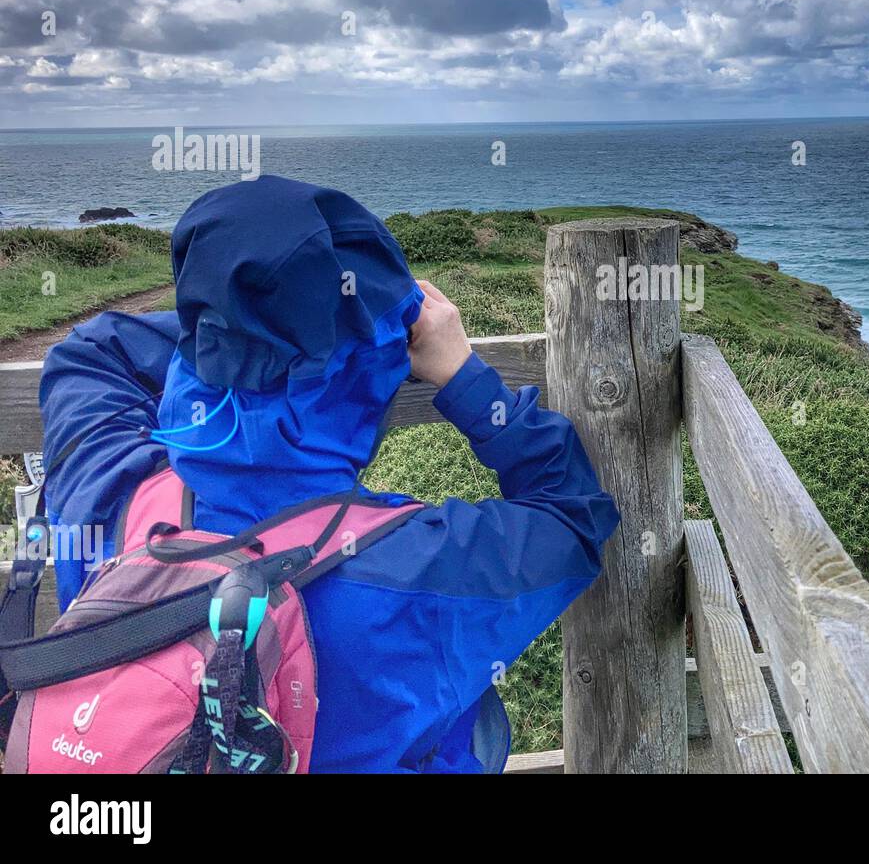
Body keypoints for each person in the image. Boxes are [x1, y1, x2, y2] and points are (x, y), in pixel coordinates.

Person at [36, 175, 619, 773]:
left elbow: (94, 350)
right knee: (480, 726)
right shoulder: (427, 565)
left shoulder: (109, 485)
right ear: (378, 361)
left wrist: (234, 320)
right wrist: (461, 374)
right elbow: (573, 515)